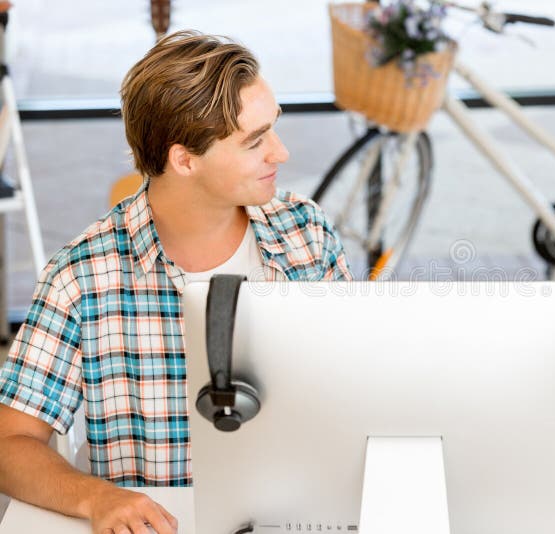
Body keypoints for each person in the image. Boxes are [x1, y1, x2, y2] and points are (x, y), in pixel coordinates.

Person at [0, 31, 351, 534]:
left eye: (273, 129)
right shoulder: (80, 278)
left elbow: (358, 389)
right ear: (184, 159)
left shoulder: (306, 235)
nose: (282, 153)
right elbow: (9, 443)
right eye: (255, 142)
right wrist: (97, 499)